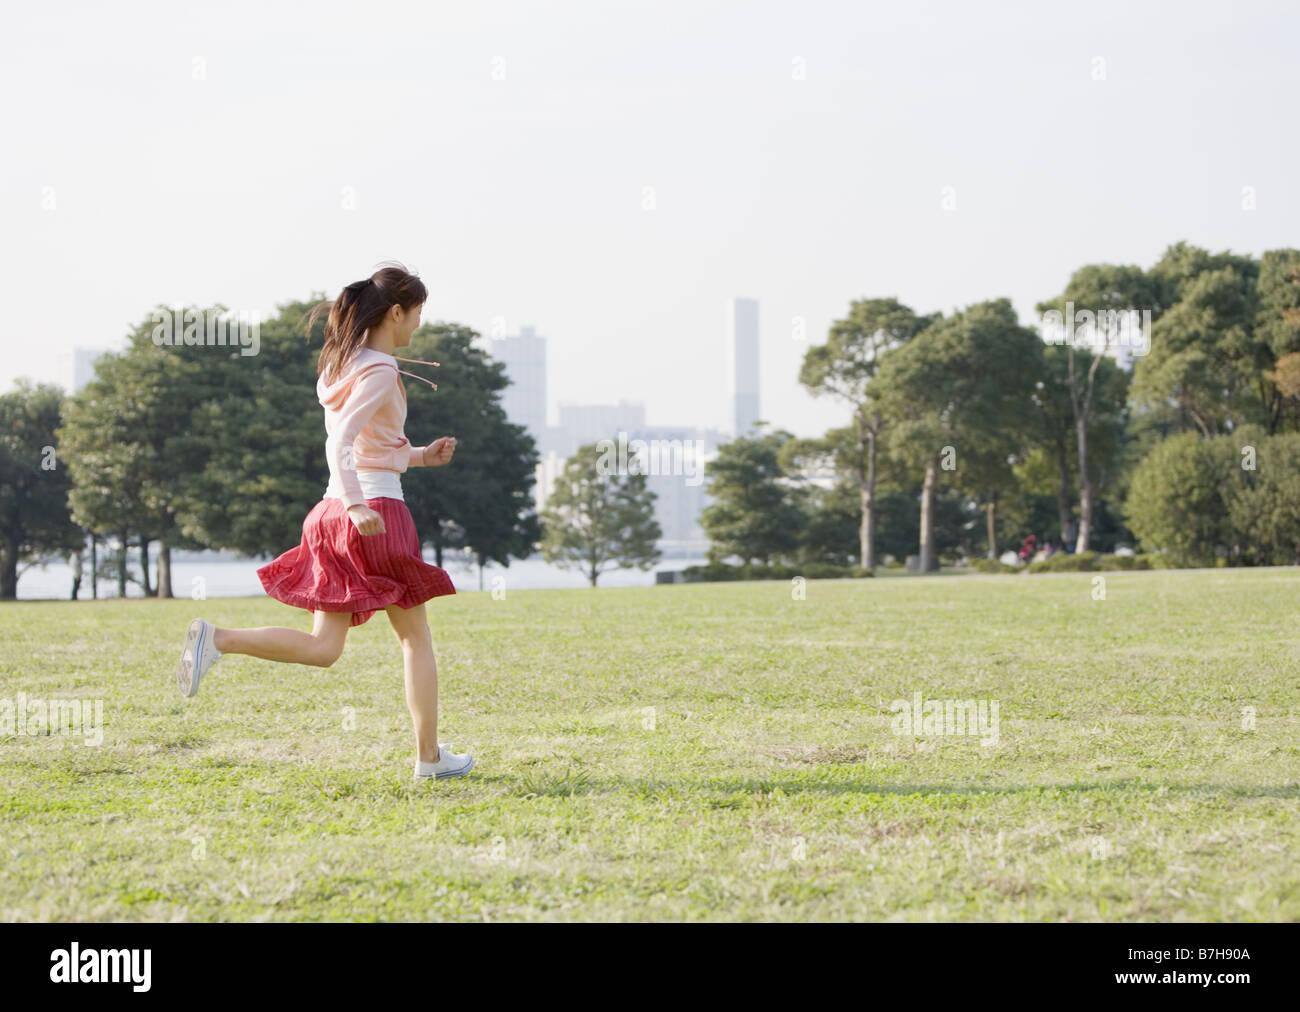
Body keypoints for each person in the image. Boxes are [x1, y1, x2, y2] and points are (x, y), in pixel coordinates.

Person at [175, 262, 472, 782]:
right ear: (396, 312)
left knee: (323, 649)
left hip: (328, 515)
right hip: (371, 513)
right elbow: (342, 444)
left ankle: (215, 640)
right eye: (417, 313)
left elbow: (368, 444)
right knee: (415, 640)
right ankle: (429, 759)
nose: (418, 325)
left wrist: (421, 456)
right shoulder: (379, 369)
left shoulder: (339, 365)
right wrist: (360, 505)